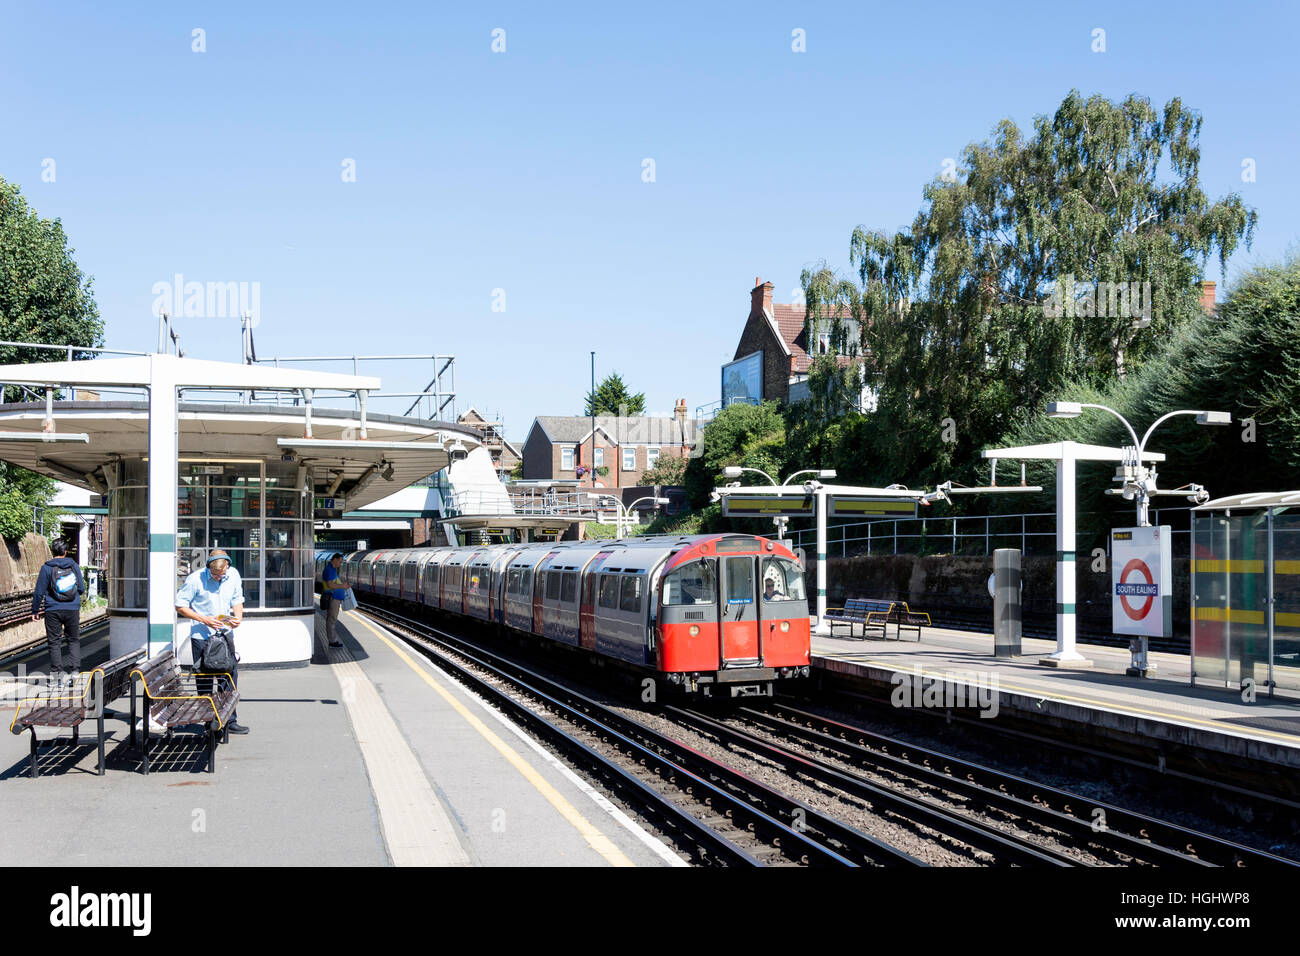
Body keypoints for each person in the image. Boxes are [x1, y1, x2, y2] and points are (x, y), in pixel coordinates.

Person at [174, 549, 249, 734]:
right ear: (208, 569)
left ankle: (229, 720)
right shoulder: (195, 579)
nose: (218, 578)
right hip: (202, 636)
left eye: (221, 575)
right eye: (215, 575)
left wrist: (238, 618)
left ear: (227, 567)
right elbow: (180, 605)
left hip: (224, 634)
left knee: (229, 676)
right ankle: (209, 721)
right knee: (205, 679)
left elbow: (237, 600)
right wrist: (204, 619)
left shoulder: (233, 575)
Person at [31, 539, 86, 678]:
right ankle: (74, 672)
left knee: (54, 642)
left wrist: (35, 610)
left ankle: (57, 674)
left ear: (52, 551)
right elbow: (81, 588)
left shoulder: (46, 568)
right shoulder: (73, 565)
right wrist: (71, 597)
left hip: (52, 609)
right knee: (73, 639)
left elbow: (39, 591)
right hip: (72, 608)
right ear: (65, 552)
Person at [321, 553, 348, 648]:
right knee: (331, 620)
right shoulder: (329, 569)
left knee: (332, 619)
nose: (340, 564)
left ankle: (332, 640)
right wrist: (343, 586)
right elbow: (330, 585)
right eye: (340, 562)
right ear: (335, 559)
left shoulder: (331, 569)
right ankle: (332, 641)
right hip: (333, 598)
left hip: (335, 598)